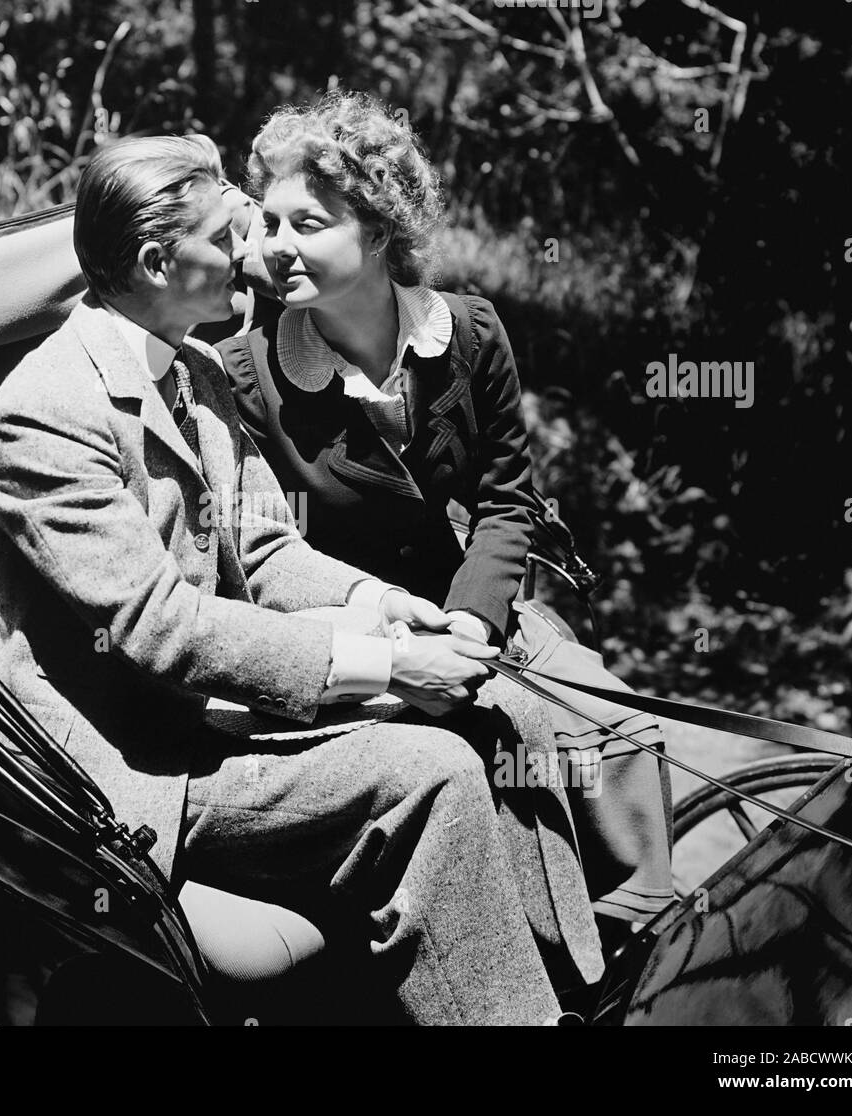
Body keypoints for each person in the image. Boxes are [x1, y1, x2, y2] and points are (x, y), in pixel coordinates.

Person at [0, 134, 599, 1023]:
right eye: (230, 236)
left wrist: (383, 607)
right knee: (429, 770)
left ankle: (571, 988)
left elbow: (268, 552)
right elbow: (162, 629)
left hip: (226, 710)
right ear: (157, 262)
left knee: (507, 712)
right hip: (146, 761)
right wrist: (386, 668)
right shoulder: (46, 414)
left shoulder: (191, 368)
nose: (255, 252)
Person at [215, 92, 674, 937]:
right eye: (267, 225)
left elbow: (508, 504)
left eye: (306, 224)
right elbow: (263, 560)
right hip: (356, 647)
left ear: (382, 227)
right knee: (519, 748)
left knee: (619, 724)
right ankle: (549, 960)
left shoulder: (468, 334)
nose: (274, 250)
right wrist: (401, 647)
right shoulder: (244, 377)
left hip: (471, 609)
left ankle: (645, 932)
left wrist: (471, 619)